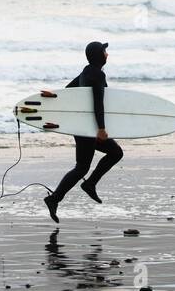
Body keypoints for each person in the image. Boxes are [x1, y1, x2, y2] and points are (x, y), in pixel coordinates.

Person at [44, 41, 123, 222]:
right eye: (105, 51)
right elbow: (98, 103)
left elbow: (67, 92)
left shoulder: (86, 72)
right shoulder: (97, 75)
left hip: (82, 127)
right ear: (99, 55)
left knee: (83, 166)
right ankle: (87, 185)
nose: (107, 55)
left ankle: (56, 198)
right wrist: (101, 128)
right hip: (90, 128)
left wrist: (52, 97)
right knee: (114, 153)